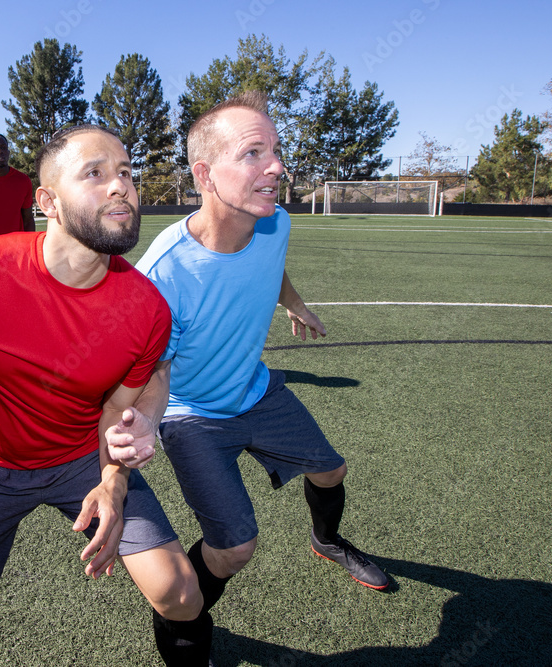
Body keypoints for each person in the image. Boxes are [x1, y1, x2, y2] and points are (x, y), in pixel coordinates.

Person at [0, 125, 212, 666]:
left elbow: (114, 412)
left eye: (126, 172)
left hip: (81, 456)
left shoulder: (146, 309)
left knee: (180, 592)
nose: (121, 186)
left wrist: (113, 482)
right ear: (48, 202)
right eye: (96, 174)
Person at [135, 91, 389, 636]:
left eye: (276, 150)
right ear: (205, 175)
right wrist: (138, 432)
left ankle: (327, 540)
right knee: (234, 550)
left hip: (256, 390)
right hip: (192, 414)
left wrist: (294, 302)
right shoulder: (164, 274)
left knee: (332, 470)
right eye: (253, 153)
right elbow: (148, 371)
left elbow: (271, 265)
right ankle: (182, 621)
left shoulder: (274, 221)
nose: (276, 166)